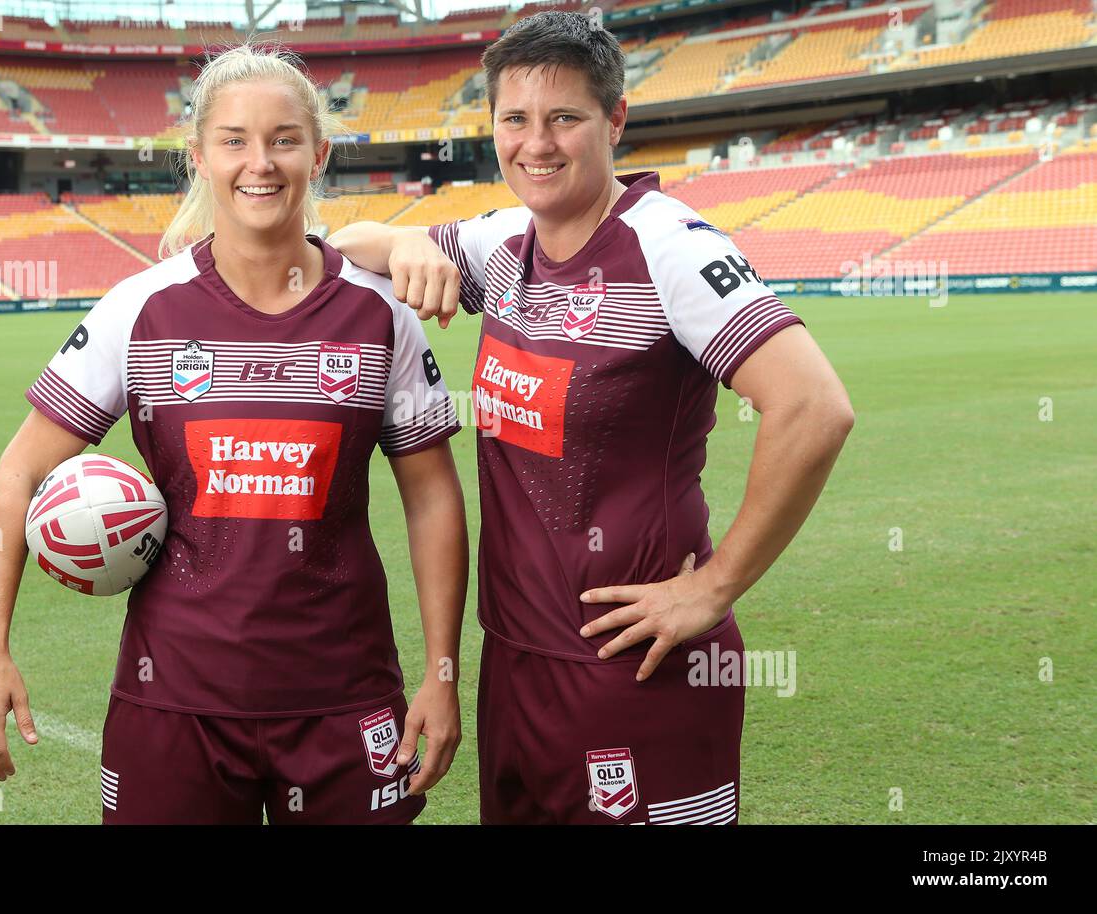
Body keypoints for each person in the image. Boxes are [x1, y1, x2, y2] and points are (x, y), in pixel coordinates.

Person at [330, 11, 854, 824]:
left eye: (564, 118)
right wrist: (403, 246)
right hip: (514, 663)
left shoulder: (669, 247)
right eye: (515, 120)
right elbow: (342, 238)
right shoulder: (501, 243)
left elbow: (814, 406)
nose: (535, 144)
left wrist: (713, 589)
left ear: (615, 121)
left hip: (638, 668)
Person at [0, 44, 469, 825]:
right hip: (174, 702)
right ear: (198, 156)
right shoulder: (141, 309)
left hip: (345, 699)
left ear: (320, 152)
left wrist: (443, 673)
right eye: (233, 140)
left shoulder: (380, 313)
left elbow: (432, 497)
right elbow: (17, 475)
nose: (258, 163)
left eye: (283, 139)